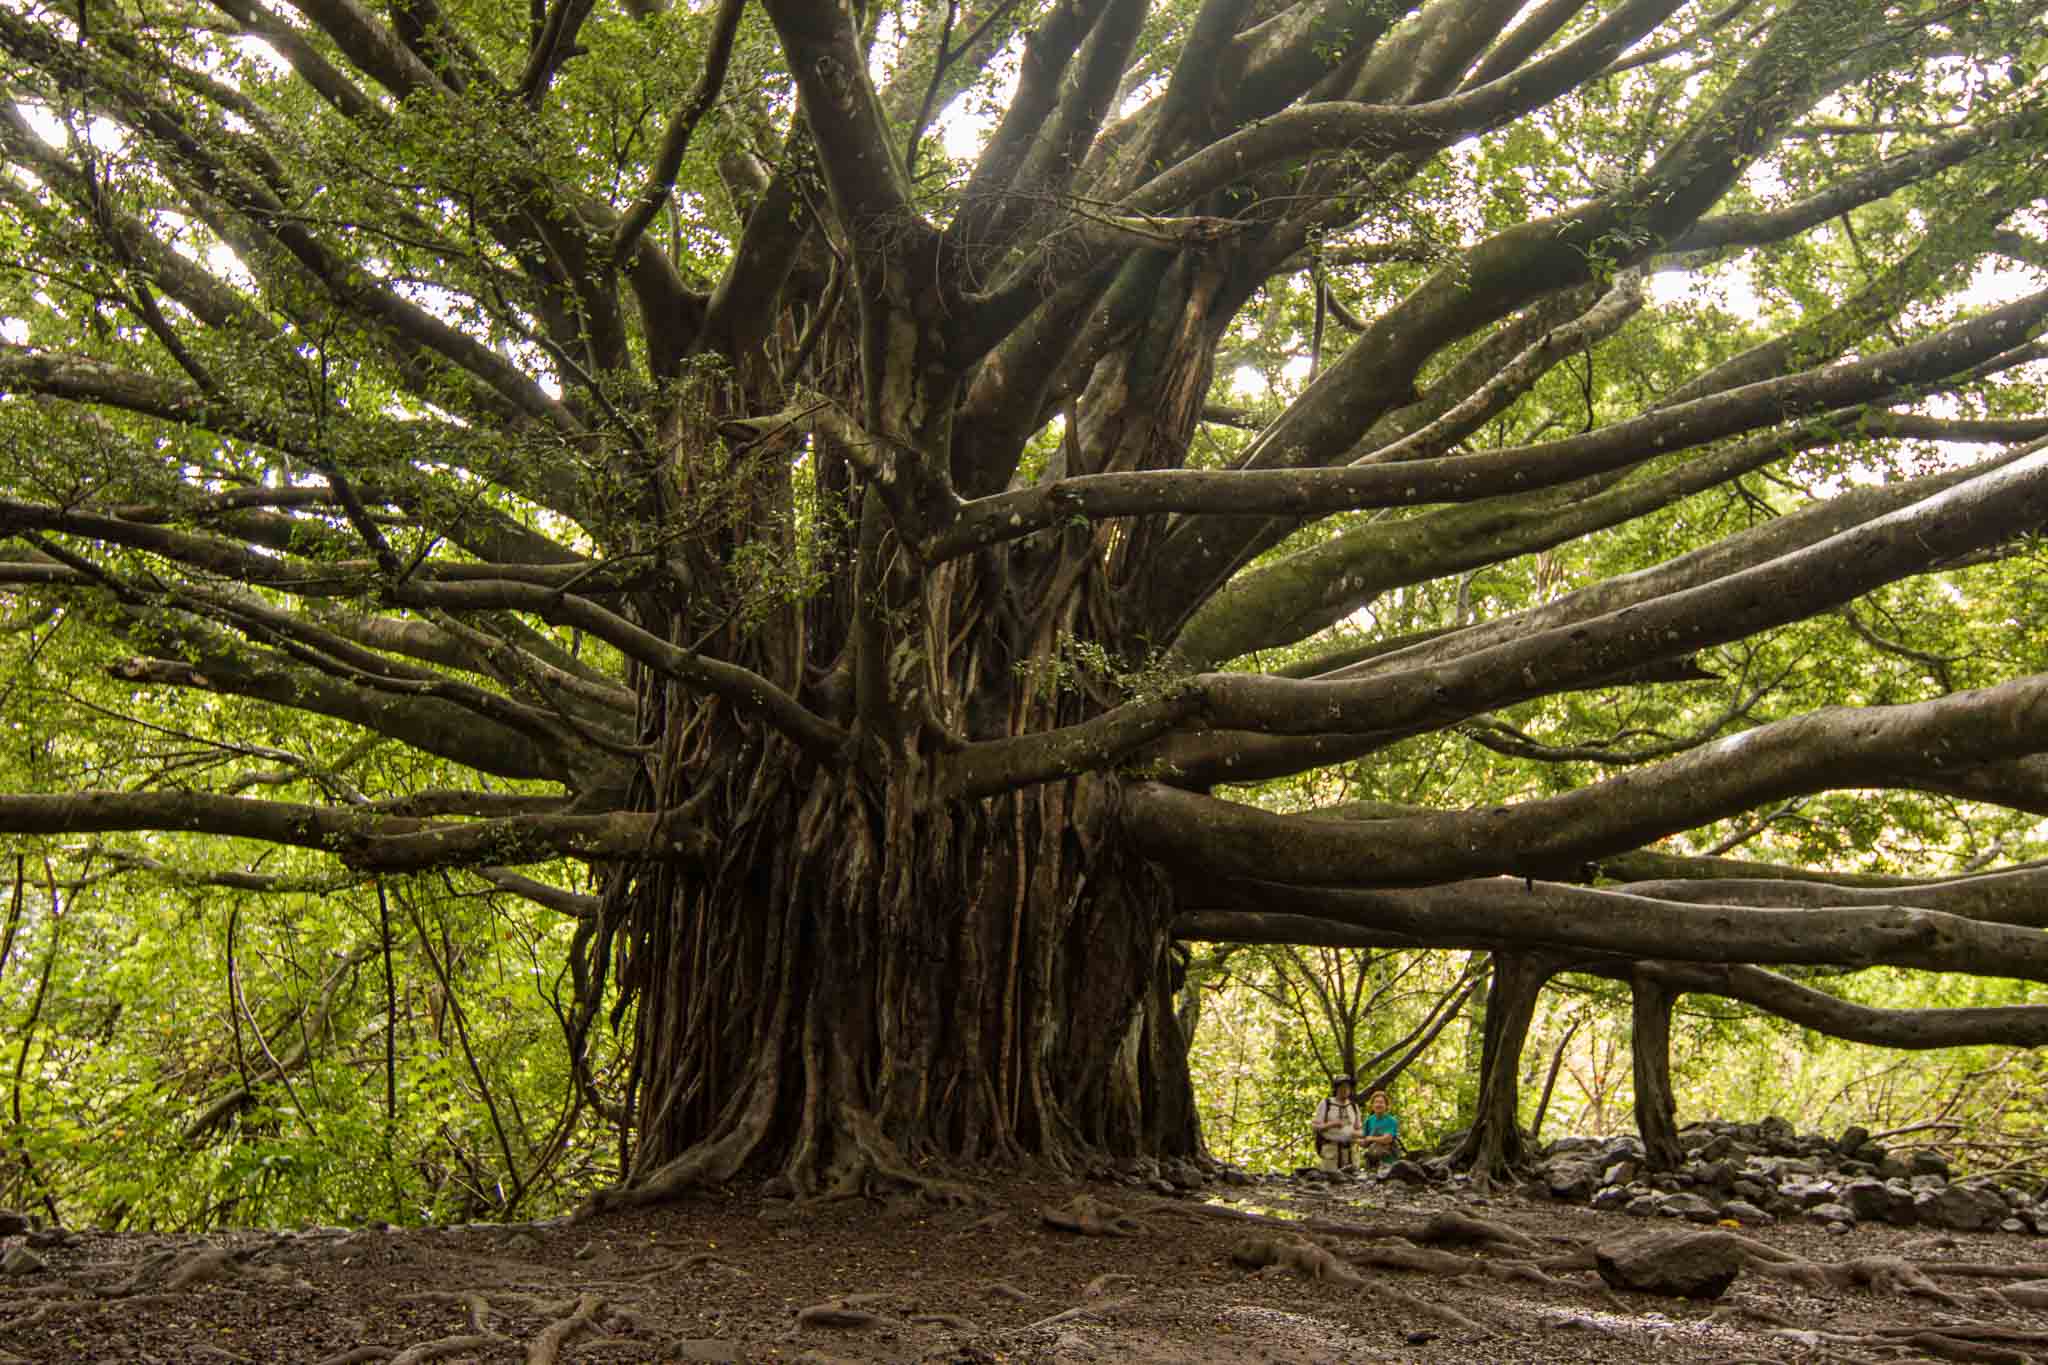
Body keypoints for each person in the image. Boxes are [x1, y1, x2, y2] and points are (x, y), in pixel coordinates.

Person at [1312, 1075, 1360, 1172]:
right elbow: (1315, 1126)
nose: (1345, 1089)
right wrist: (1331, 1124)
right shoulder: (1326, 1103)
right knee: (1331, 1181)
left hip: (1350, 1152)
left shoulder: (1353, 1106)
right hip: (1331, 1151)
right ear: (1336, 1088)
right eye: (1342, 1086)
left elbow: (1358, 1127)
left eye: (1348, 1087)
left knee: (1352, 1183)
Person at [1362, 1089, 1400, 1167]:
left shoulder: (1391, 1120)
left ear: (1386, 1106)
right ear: (1372, 1105)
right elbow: (1365, 1141)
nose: (1378, 1105)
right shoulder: (1369, 1121)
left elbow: (1387, 1139)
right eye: (1376, 1102)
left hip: (1389, 1162)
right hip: (1373, 1161)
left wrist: (1371, 1138)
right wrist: (1351, 1137)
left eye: (1381, 1102)